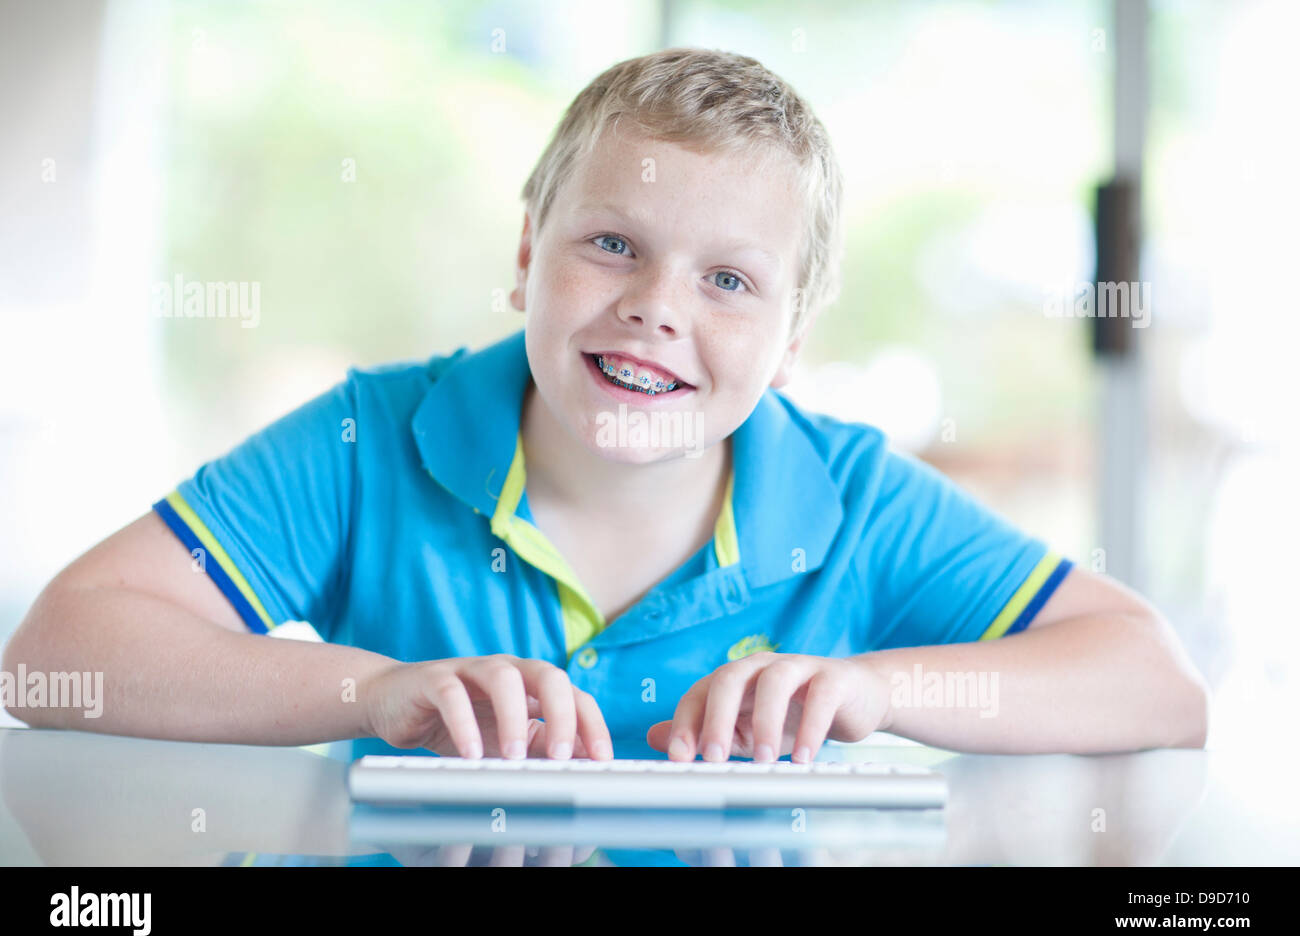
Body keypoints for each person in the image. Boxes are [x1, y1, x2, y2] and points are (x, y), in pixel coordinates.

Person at [3, 48, 1209, 763]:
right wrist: (369, 688)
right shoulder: (371, 441)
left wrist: (882, 688)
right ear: (528, 256)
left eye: (727, 279)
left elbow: (1154, 680)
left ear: (791, 339)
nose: (655, 308)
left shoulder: (851, 493)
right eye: (613, 244)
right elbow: (55, 652)